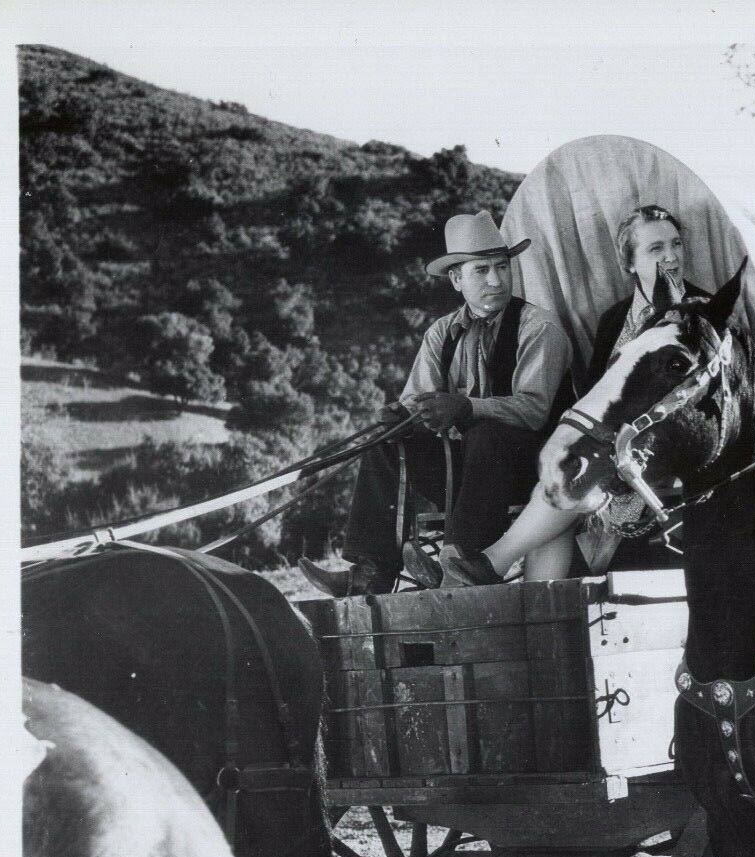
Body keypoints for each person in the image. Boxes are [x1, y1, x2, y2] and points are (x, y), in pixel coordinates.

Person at [299, 210, 573, 596]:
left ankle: (460, 561)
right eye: (481, 271)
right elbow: (418, 399)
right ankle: (370, 574)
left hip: (529, 469)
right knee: (384, 444)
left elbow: (533, 409)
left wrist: (465, 408)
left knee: (487, 434)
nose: (496, 280)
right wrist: (403, 416)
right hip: (467, 473)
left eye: (502, 267)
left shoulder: (538, 328)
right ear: (456, 279)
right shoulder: (442, 333)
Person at [472, 203, 708, 582]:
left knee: (569, 490)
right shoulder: (615, 319)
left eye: (675, 244)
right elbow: (597, 394)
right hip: (611, 446)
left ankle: (491, 565)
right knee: (563, 490)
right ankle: (537, 612)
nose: (671, 256)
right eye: (655, 248)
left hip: (663, 451)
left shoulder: (701, 314)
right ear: (629, 263)